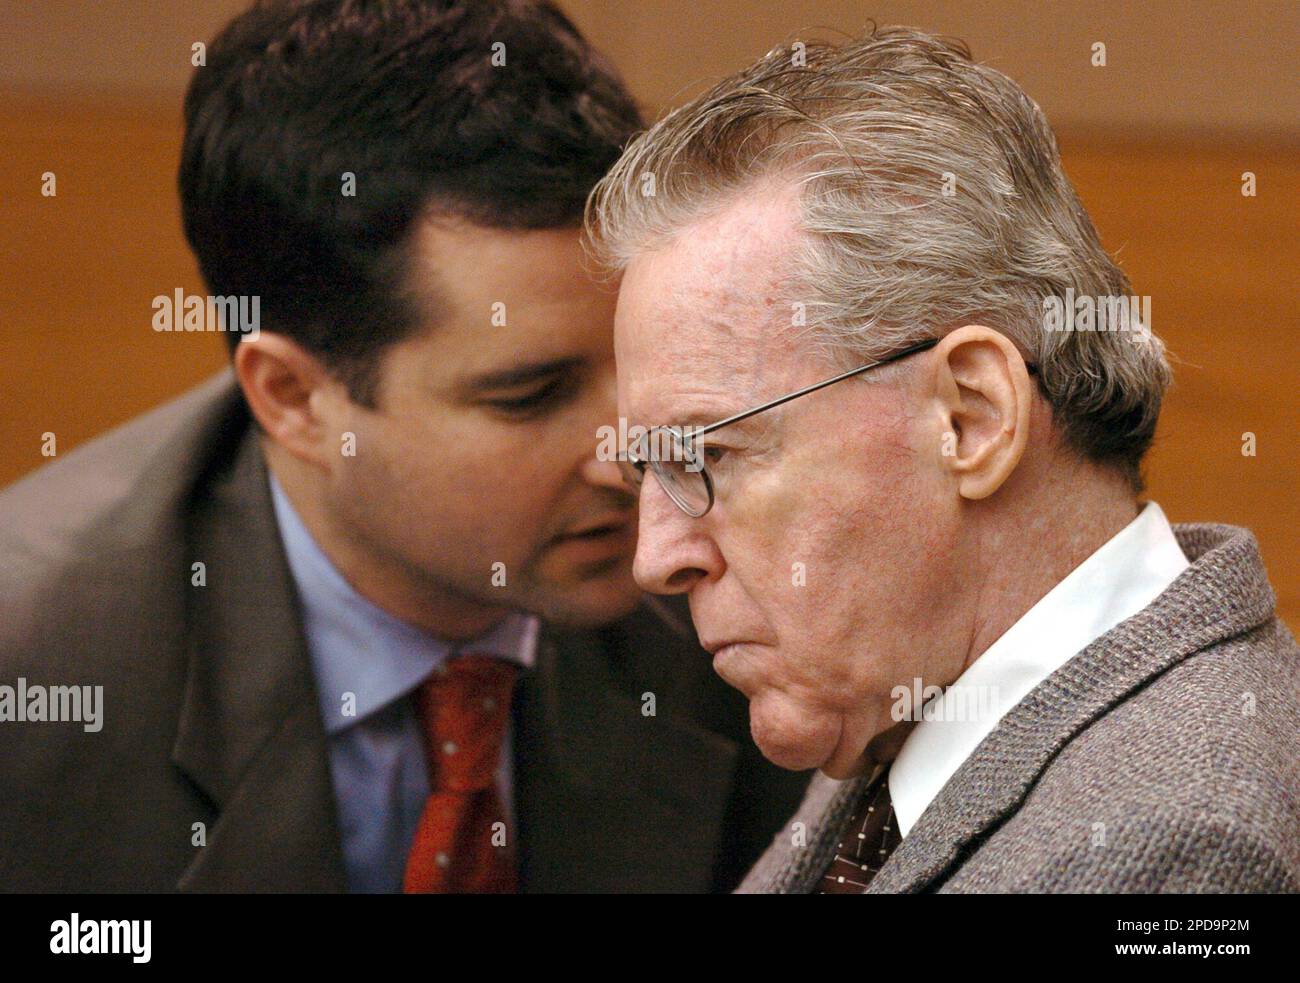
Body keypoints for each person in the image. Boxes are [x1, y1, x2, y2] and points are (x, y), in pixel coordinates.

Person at [0, 0, 808, 893]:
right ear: (294, 398)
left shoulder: (769, 590)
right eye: (529, 394)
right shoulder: (38, 690)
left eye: (637, 356)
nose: (638, 454)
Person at [588, 25, 1300, 892]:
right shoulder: (907, 695)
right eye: (645, 469)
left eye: (706, 454)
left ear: (971, 418)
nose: (654, 556)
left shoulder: (1178, 848)